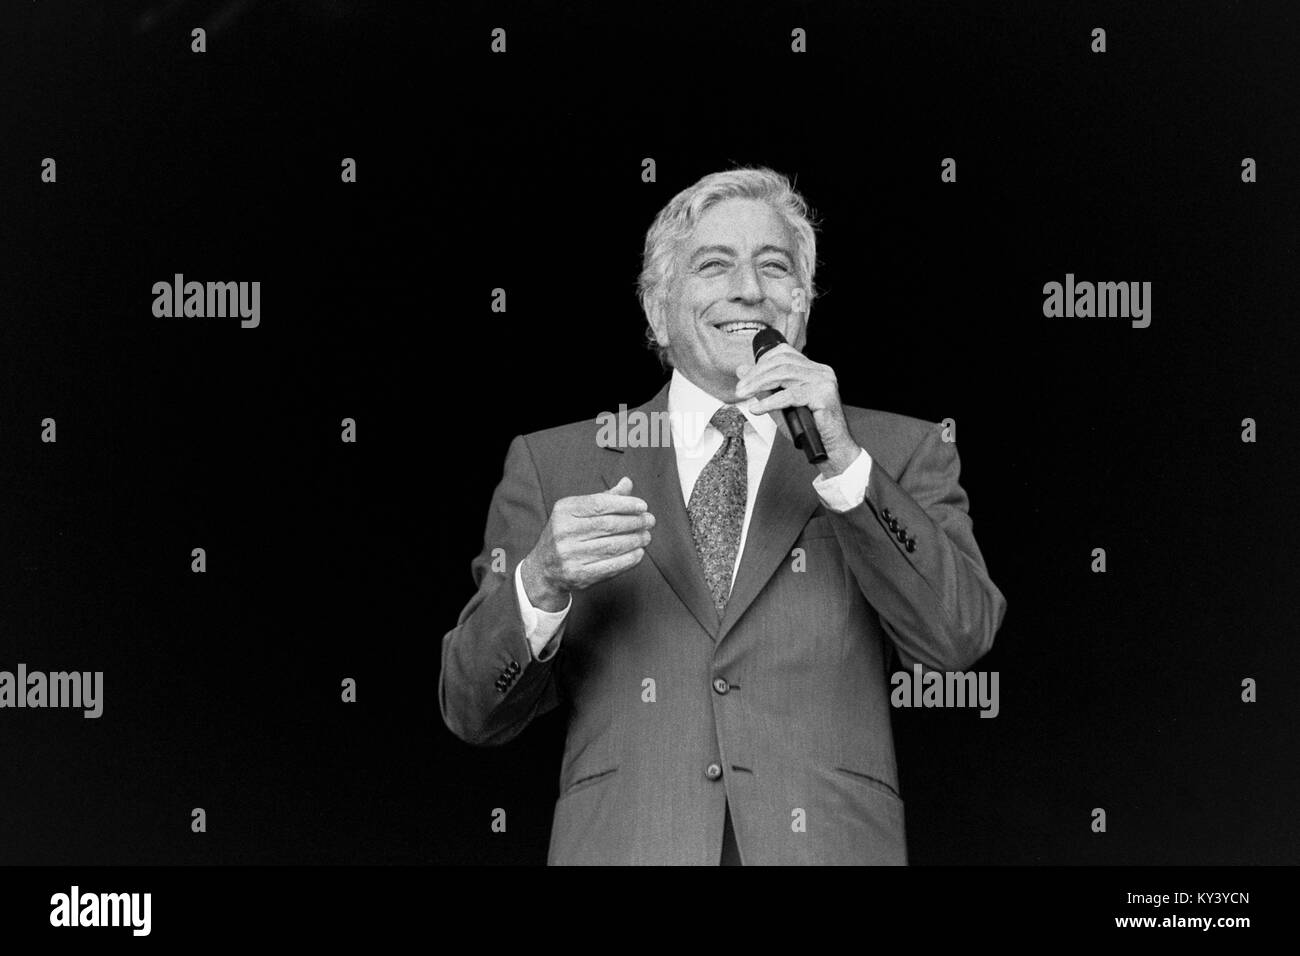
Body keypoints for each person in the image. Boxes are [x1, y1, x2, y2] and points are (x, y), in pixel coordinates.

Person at [440, 167, 1007, 865]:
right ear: (656, 311)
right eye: (715, 266)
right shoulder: (554, 464)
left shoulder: (898, 451)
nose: (749, 288)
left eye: (776, 267)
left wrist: (845, 466)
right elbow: (472, 710)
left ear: (801, 302)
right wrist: (542, 581)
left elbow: (959, 637)